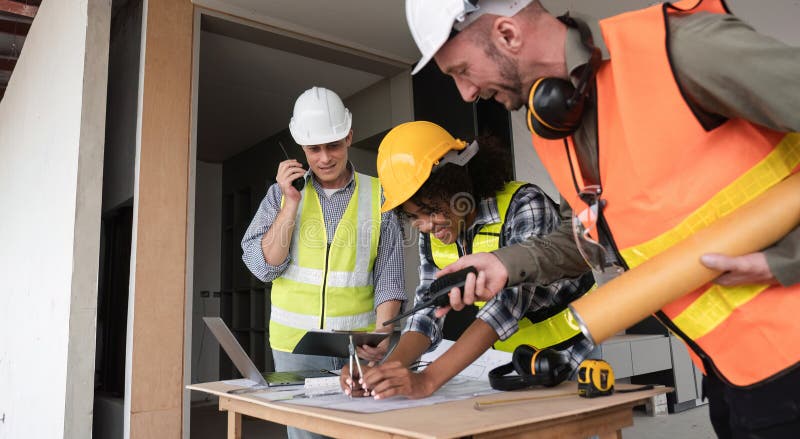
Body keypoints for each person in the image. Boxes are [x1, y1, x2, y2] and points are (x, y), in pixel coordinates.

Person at [403, 0, 800, 436]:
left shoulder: (679, 51)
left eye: (462, 70)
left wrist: (790, 256)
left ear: (507, 34)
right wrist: (502, 264)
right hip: (728, 372)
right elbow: (587, 239)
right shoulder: (557, 130)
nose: (466, 93)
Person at [340, 120, 593, 399]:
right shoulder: (434, 235)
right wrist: (385, 373)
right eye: (413, 216)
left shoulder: (525, 205)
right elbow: (426, 313)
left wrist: (427, 380)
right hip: (513, 362)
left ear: (456, 184)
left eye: (431, 209)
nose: (425, 225)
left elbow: (505, 307)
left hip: (579, 350)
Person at [241, 86, 406, 439]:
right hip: (294, 349)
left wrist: (381, 336)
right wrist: (290, 204)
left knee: (363, 433)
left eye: (333, 145)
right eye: (314, 149)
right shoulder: (280, 195)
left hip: (359, 347)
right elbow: (263, 266)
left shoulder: (380, 195)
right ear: (301, 148)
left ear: (349, 136)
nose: (325, 157)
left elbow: (389, 279)